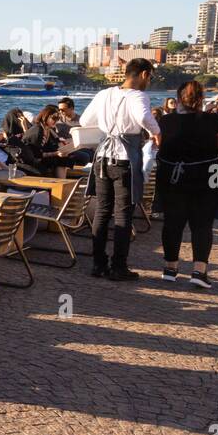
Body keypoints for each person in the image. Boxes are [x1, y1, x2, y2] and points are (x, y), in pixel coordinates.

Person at [79, 58, 161, 280]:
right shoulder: (138, 95)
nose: (150, 82)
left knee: (102, 211)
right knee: (123, 213)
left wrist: (109, 127)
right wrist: (156, 132)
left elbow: (85, 119)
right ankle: (118, 267)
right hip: (124, 159)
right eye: (150, 77)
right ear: (144, 74)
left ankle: (98, 264)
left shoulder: (104, 94)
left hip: (103, 158)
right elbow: (144, 117)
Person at [155, 81, 218, 289]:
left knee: (172, 222)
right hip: (210, 174)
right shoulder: (215, 121)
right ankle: (199, 271)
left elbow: (159, 147)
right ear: (202, 97)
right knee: (202, 224)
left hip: (172, 176)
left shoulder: (164, 121)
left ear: (178, 97)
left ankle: (170, 269)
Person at [23, 105, 78, 178]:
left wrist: (64, 149)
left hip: (40, 156)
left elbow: (50, 145)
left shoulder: (47, 129)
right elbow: (36, 154)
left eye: (58, 118)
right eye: (54, 118)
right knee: (63, 160)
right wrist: (56, 153)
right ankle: (61, 181)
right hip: (30, 160)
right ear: (45, 117)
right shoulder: (38, 131)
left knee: (69, 157)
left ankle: (62, 180)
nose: (56, 121)